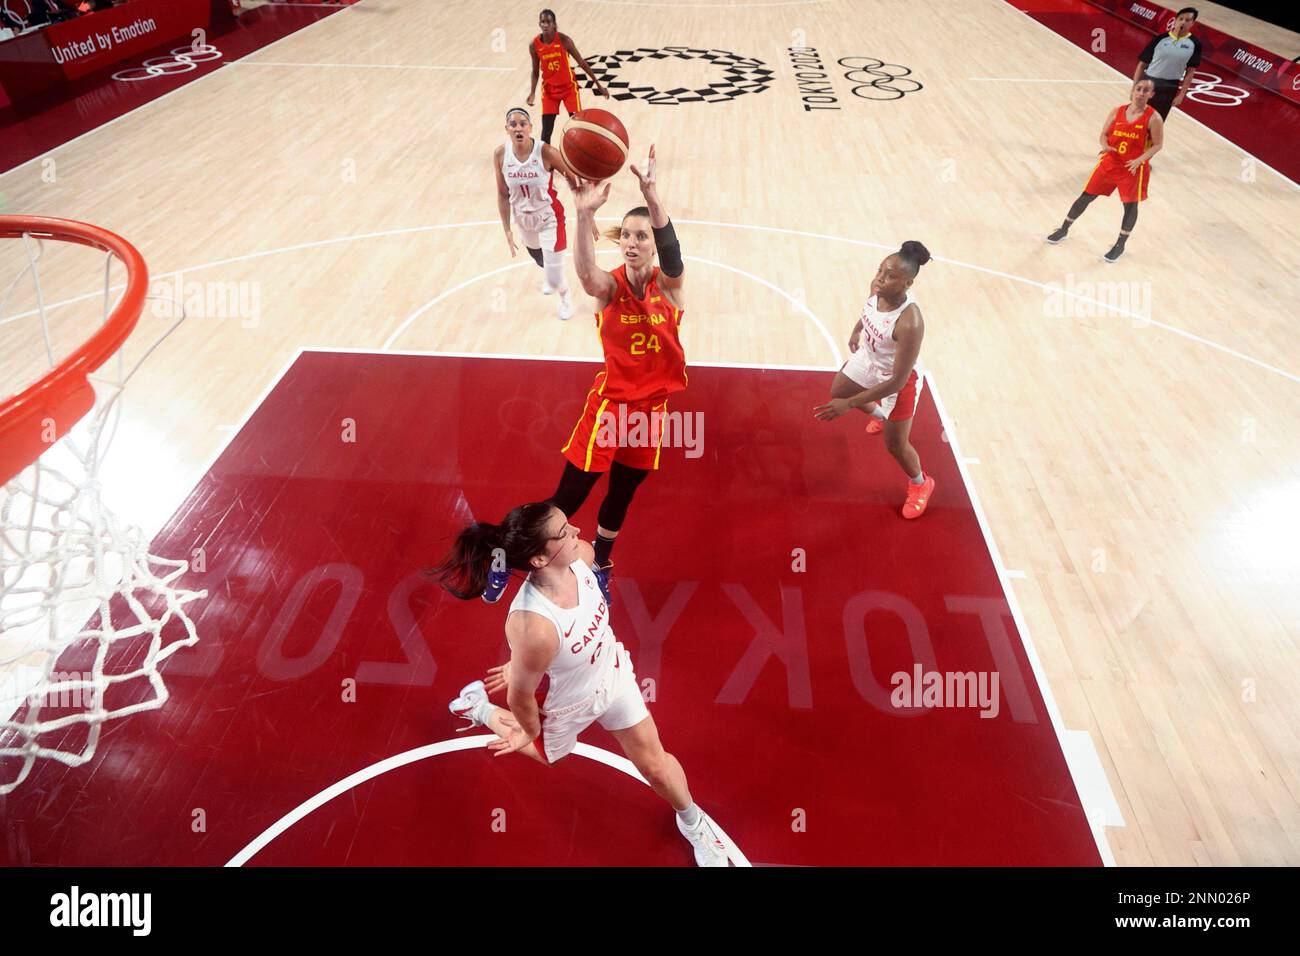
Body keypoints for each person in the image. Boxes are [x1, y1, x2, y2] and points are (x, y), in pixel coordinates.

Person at [433, 502, 731, 867]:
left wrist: (523, 663)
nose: (576, 532)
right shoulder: (534, 627)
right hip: (566, 702)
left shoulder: (583, 556)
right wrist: (529, 729)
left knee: (655, 765)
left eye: (569, 524)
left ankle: (694, 823)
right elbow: (520, 695)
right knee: (542, 753)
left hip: (611, 675)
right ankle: (480, 706)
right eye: (564, 532)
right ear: (540, 559)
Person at [814, 242, 935, 520]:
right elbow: (868, 311)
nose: (880, 278)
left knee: (895, 445)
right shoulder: (878, 288)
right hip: (869, 357)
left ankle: (920, 483)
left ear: (907, 283)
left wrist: (849, 405)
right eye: (880, 270)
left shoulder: (910, 322)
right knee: (839, 390)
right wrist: (857, 330)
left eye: (890, 276)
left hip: (898, 380)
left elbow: (897, 381)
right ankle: (881, 416)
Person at [1046, 79, 1164, 263]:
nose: (1141, 93)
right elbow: (1104, 134)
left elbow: (1157, 145)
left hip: (1132, 168)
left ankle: (1120, 245)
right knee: (1085, 196)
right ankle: (1063, 229)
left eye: (1146, 90)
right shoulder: (1117, 111)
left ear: (1151, 94)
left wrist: (1140, 160)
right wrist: (1105, 145)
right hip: (1110, 163)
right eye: (1139, 89)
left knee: (1130, 206)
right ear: (1133, 90)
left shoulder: (1154, 118)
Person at [495, 107, 594, 320]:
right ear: (507, 129)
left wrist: (587, 213)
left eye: (523, 124)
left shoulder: (546, 152)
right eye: (513, 124)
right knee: (540, 260)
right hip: (522, 218)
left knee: (554, 276)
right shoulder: (501, 154)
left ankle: (565, 297)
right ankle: (551, 274)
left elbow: (573, 179)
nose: (518, 128)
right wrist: (507, 229)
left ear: (530, 128)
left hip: (549, 217)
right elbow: (502, 194)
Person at [527, 8, 608, 145]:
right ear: (539, 23)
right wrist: (532, 93)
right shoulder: (534, 45)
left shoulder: (565, 41)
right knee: (546, 131)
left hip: (569, 89)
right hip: (549, 91)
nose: (545, 25)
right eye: (542, 22)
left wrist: (599, 85)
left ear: (554, 24)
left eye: (548, 22)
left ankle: (581, 154)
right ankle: (545, 158)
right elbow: (535, 72)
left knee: (578, 126)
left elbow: (582, 63)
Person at [1133, 7, 1202, 120]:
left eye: (1187, 20)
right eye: (1181, 19)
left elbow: (1190, 72)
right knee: (1137, 118)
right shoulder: (1160, 39)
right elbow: (1142, 65)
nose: (1183, 22)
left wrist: (1181, 95)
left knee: (1158, 120)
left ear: (1192, 23)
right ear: (1175, 20)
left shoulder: (1195, 44)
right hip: (1149, 82)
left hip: (1170, 87)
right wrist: (1134, 88)